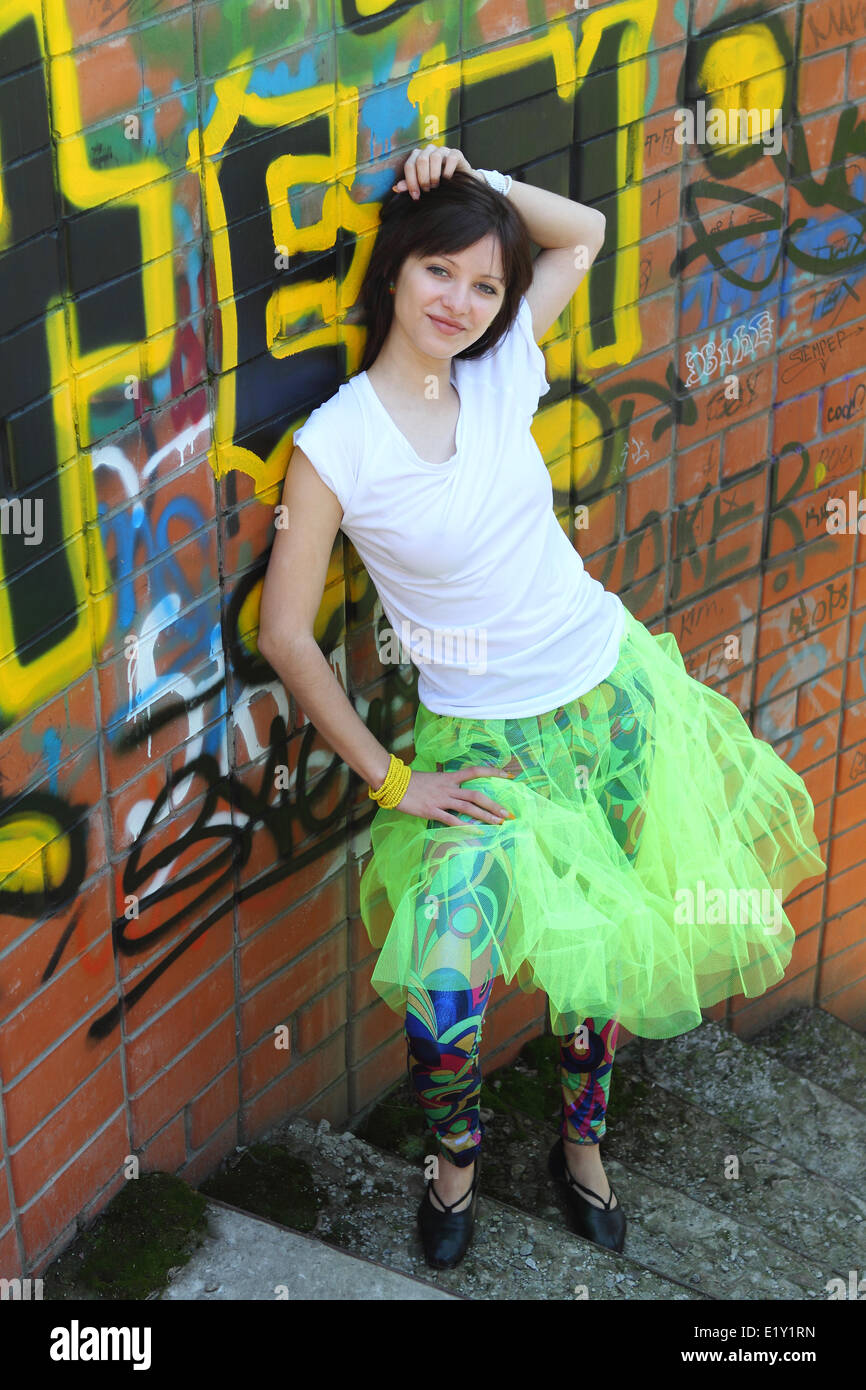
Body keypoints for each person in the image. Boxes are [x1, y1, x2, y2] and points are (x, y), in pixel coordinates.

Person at [257, 146, 827, 1272]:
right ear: (394, 270)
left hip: (609, 697)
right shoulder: (337, 445)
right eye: (439, 271)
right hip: (480, 745)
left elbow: (586, 234)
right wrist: (391, 779)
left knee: (600, 955)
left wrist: (480, 178)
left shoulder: (500, 366)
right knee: (443, 991)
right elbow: (284, 635)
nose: (460, 303)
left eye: (484, 283)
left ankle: (581, 1145)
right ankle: (453, 1163)